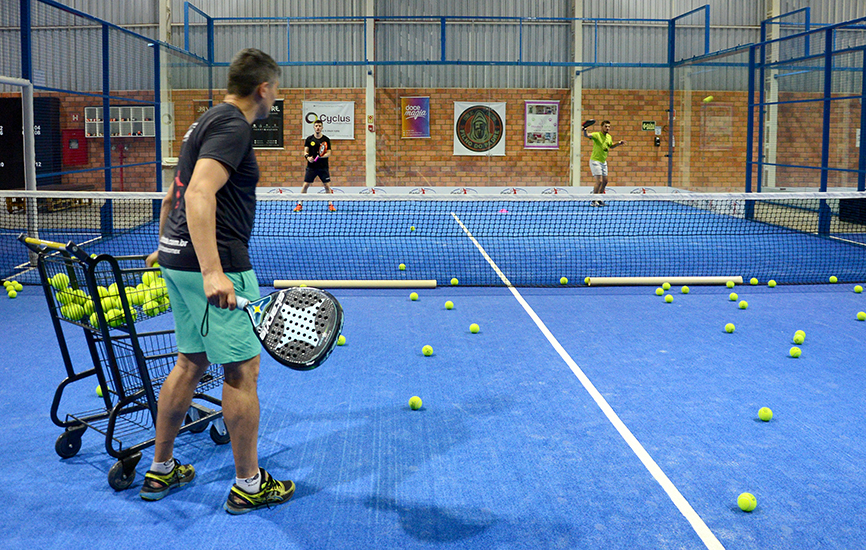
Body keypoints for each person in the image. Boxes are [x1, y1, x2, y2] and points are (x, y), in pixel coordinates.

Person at [142, 48, 294, 515]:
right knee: (242, 371)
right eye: (276, 89)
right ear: (263, 88)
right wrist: (212, 270)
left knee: (189, 362)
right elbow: (199, 191)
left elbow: (174, 192)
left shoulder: (204, 121)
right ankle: (249, 483)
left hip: (176, 259)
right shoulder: (234, 127)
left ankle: (161, 468)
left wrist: (165, 244)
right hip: (216, 263)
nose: (276, 97)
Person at [294, 119, 335, 212]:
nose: (318, 128)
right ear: (314, 127)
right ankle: (299, 204)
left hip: (323, 167)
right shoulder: (309, 139)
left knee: (327, 186)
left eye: (319, 126)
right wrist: (308, 157)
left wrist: (321, 156)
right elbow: (305, 152)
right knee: (305, 185)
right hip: (311, 167)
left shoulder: (326, 139)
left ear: (322, 127)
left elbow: (329, 153)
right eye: (316, 126)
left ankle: (330, 204)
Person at [583, 120, 625, 206]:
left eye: (609, 126)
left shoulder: (609, 137)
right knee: (599, 181)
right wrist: (584, 130)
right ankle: (593, 201)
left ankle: (599, 199)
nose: (607, 128)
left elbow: (611, 146)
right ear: (602, 127)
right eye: (606, 126)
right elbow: (587, 135)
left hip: (603, 162)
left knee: (605, 181)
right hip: (595, 161)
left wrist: (618, 143)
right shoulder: (597, 135)